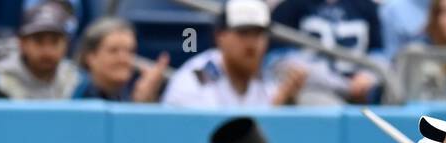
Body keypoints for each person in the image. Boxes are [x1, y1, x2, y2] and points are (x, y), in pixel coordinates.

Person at [162, 0, 308, 108]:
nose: (252, 44)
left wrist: (286, 104)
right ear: (220, 36)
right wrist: (274, 109)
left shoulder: (267, 80)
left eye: (258, 34)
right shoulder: (199, 76)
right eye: (243, 33)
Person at [270, 0, 384, 104]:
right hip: (315, 90)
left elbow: (381, 54)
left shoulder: (367, 7)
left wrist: (368, 76)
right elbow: (276, 59)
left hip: (363, 91)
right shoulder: (290, 7)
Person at [0, 1, 80, 99]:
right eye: (38, 41)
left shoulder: (79, 84)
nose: (47, 51)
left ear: (66, 44)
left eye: (55, 42)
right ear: (22, 43)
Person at [72, 16, 167, 101]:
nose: (123, 59)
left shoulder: (125, 94)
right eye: (113, 51)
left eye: (130, 51)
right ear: (90, 56)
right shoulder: (75, 94)